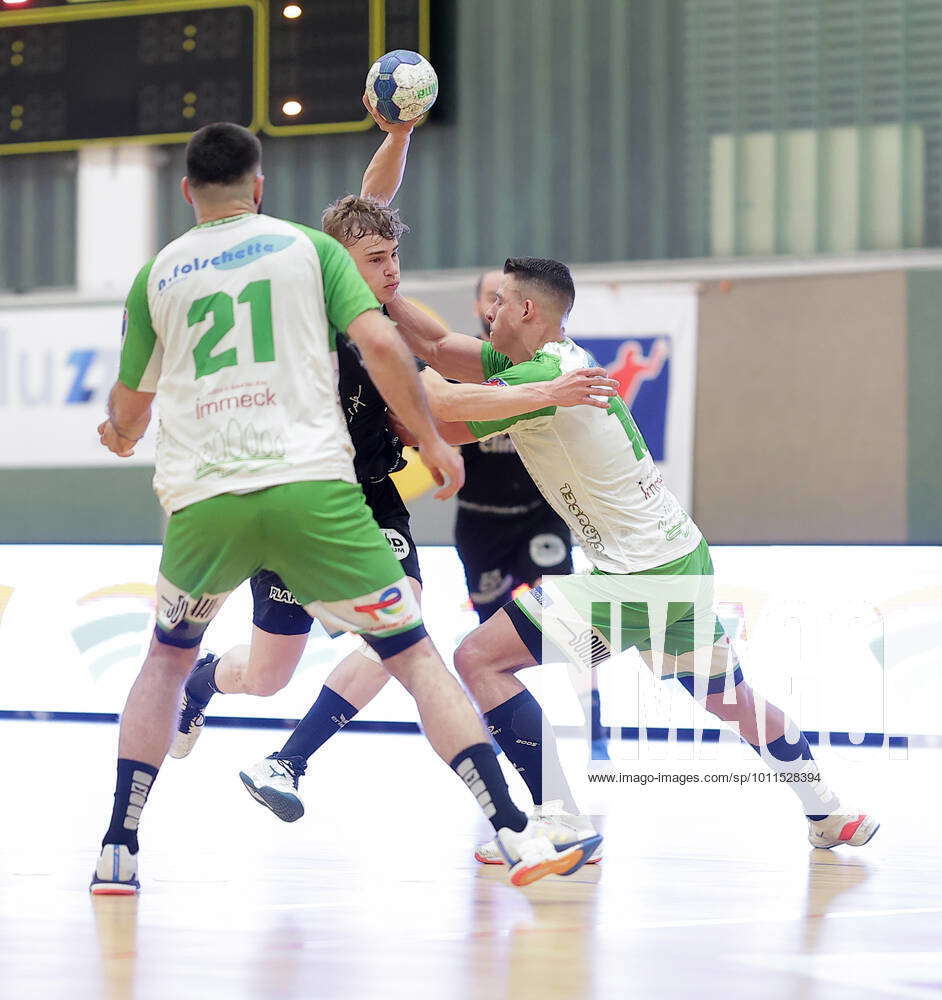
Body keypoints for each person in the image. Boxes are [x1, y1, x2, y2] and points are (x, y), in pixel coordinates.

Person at [90, 123, 601, 894]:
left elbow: (390, 252)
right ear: (258, 188)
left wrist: (122, 432)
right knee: (274, 673)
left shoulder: (167, 273)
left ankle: (131, 838)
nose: (389, 270)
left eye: (394, 258)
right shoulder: (315, 271)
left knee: (402, 640)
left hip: (282, 500)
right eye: (376, 260)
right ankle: (223, 702)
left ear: (188, 190)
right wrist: (447, 436)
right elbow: (419, 365)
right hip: (310, 492)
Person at [385, 256, 880, 862]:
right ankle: (829, 809)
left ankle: (561, 822)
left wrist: (370, 338)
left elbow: (447, 406)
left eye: (499, 301)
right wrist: (387, 294)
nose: (488, 311)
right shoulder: (548, 368)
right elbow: (437, 345)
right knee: (732, 700)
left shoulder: (543, 379)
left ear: (526, 310)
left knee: (479, 660)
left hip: (638, 577)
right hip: (680, 560)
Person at [457, 270, 609, 765]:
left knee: (571, 625)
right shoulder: (473, 364)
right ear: (481, 307)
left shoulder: (548, 365)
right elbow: (439, 402)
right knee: (486, 642)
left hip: (538, 516)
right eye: (489, 296)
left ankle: (596, 722)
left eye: (504, 296)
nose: (495, 304)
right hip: (482, 522)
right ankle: (509, 732)